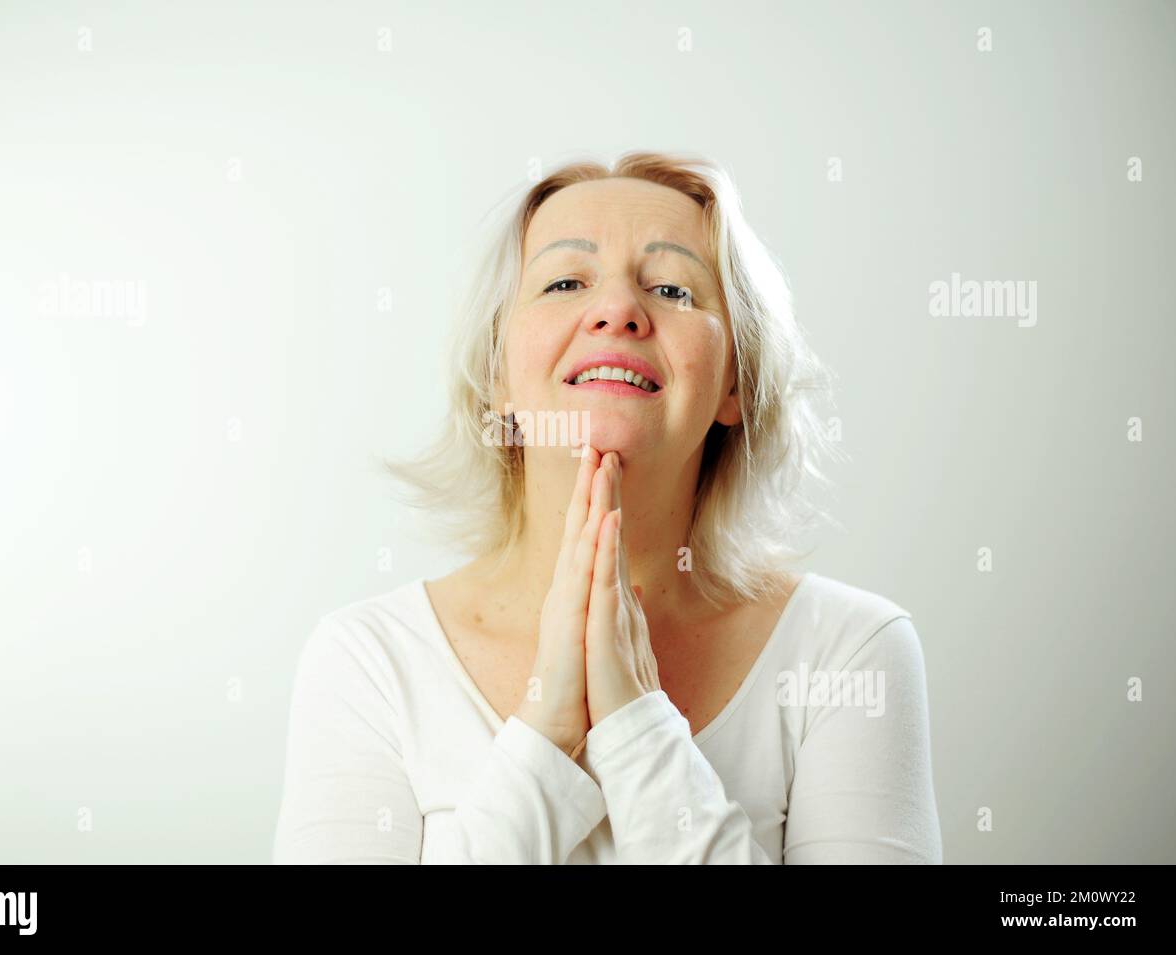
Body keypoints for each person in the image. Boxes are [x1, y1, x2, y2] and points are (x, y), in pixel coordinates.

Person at [272, 151, 942, 864]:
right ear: (498, 374)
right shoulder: (367, 661)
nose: (618, 310)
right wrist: (545, 735)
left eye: (673, 289)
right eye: (565, 281)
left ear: (733, 386)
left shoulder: (851, 650)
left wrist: (636, 727)